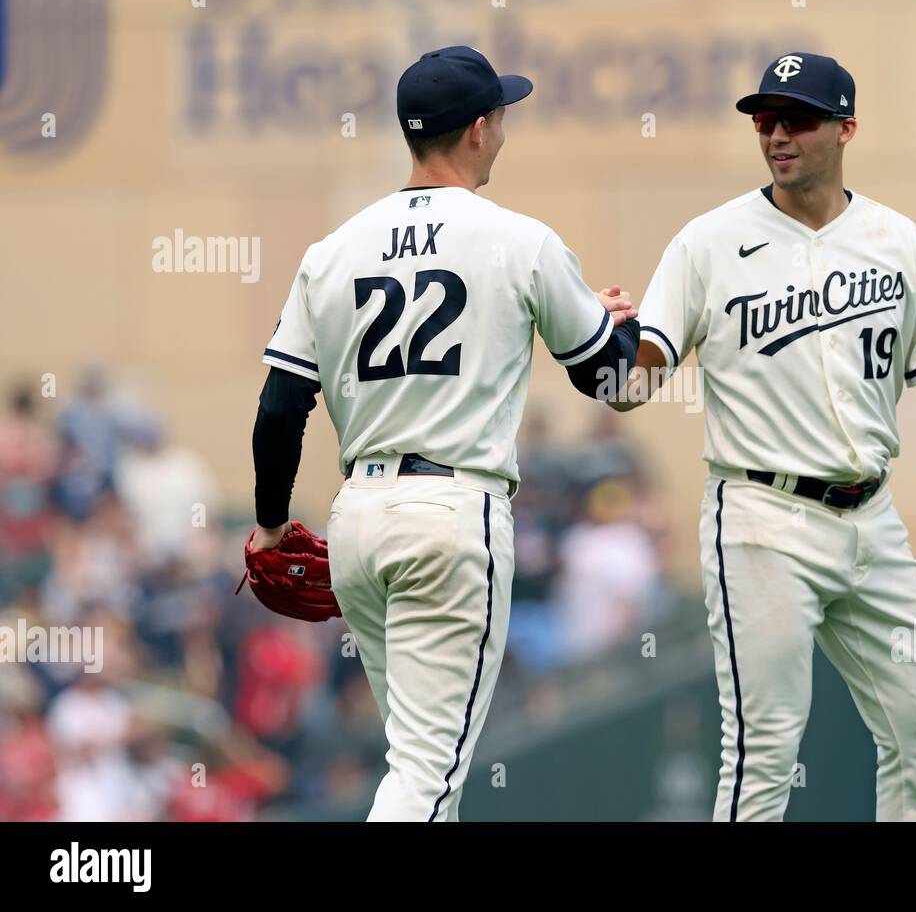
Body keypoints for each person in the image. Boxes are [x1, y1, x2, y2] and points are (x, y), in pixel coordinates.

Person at [612, 52, 916, 821]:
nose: (775, 135)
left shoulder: (897, 241)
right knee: (763, 752)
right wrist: (597, 342)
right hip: (762, 520)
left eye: (795, 118)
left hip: (872, 522)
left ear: (845, 129)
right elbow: (633, 385)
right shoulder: (708, 242)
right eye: (764, 119)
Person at [248, 46, 638, 821]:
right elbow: (614, 381)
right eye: (502, 115)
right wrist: (613, 326)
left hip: (358, 518)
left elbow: (279, 408)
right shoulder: (519, 239)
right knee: (427, 777)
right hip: (452, 522)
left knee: (420, 768)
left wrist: (266, 524)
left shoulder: (334, 251)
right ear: (480, 129)